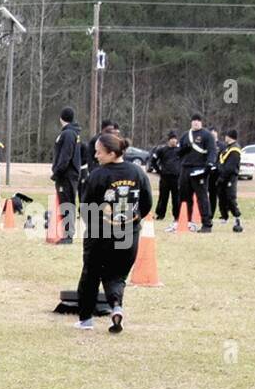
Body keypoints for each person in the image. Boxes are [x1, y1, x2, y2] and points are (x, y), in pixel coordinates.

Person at [74, 131, 152, 333]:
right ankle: (116, 307)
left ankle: (86, 320)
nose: (96, 156)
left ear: (111, 153)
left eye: (99, 152)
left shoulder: (98, 175)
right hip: (128, 234)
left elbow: (86, 206)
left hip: (101, 234)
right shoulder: (138, 173)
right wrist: (132, 224)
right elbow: (147, 203)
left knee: (91, 275)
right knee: (116, 277)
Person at [177, 113, 215, 232]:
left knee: (202, 197)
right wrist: (184, 149)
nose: (196, 122)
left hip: (199, 169)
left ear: (201, 122)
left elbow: (212, 151)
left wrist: (209, 164)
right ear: (191, 122)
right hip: (185, 169)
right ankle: (186, 221)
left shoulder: (207, 135)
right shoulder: (185, 135)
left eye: (198, 120)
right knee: (184, 197)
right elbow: (178, 153)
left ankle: (206, 224)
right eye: (194, 120)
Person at [51, 107, 82, 242]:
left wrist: (57, 171)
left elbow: (65, 156)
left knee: (67, 203)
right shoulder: (71, 133)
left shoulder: (68, 134)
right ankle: (67, 233)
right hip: (68, 174)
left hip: (66, 175)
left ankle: (68, 235)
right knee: (66, 203)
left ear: (61, 118)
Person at [216, 129, 243, 233]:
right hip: (222, 177)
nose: (225, 137)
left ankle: (237, 216)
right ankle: (224, 216)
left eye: (226, 136)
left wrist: (223, 176)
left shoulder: (235, 149)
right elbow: (221, 161)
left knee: (230, 198)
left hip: (230, 178)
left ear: (230, 136)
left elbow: (230, 166)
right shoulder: (227, 148)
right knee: (221, 197)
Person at [150, 131, 180, 223]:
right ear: (169, 140)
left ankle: (177, 216)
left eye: (175, 139)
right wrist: (159, 171)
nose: (174, 141)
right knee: (163, 197)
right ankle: (160, 214)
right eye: (172, 139)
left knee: (176, 197)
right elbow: (153, 161)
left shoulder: (179, 150)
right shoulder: (162, 150)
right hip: (165, 178)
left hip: (176, 177)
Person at [206, 126, 221, 220]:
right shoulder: (206, 145)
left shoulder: (221, 146)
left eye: (214, 134)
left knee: (213, 194)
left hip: (217, 174)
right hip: (207, 172)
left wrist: (217, 167)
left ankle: (212, 213)